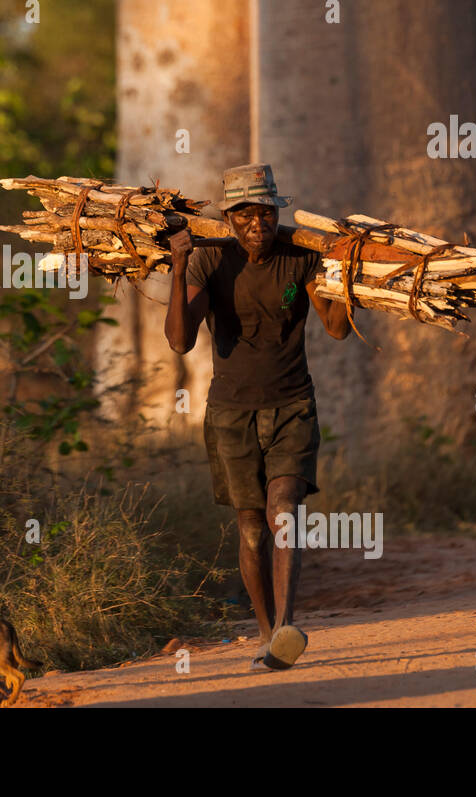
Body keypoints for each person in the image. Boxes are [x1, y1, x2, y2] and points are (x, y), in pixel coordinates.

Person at [164, 163, 352, 670]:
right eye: (244, 214)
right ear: (229, 218)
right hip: (230, 413)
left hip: (292, 403)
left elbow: (336, 328)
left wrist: (345, 274)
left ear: (277, 213)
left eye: (265, 213)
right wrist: (179, 267)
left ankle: (288, 624)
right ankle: (267, 633)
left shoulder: (301, 256)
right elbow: (180, 340)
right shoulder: (209, 260)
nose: (256, 224)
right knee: (251, 530)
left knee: (284, 509)